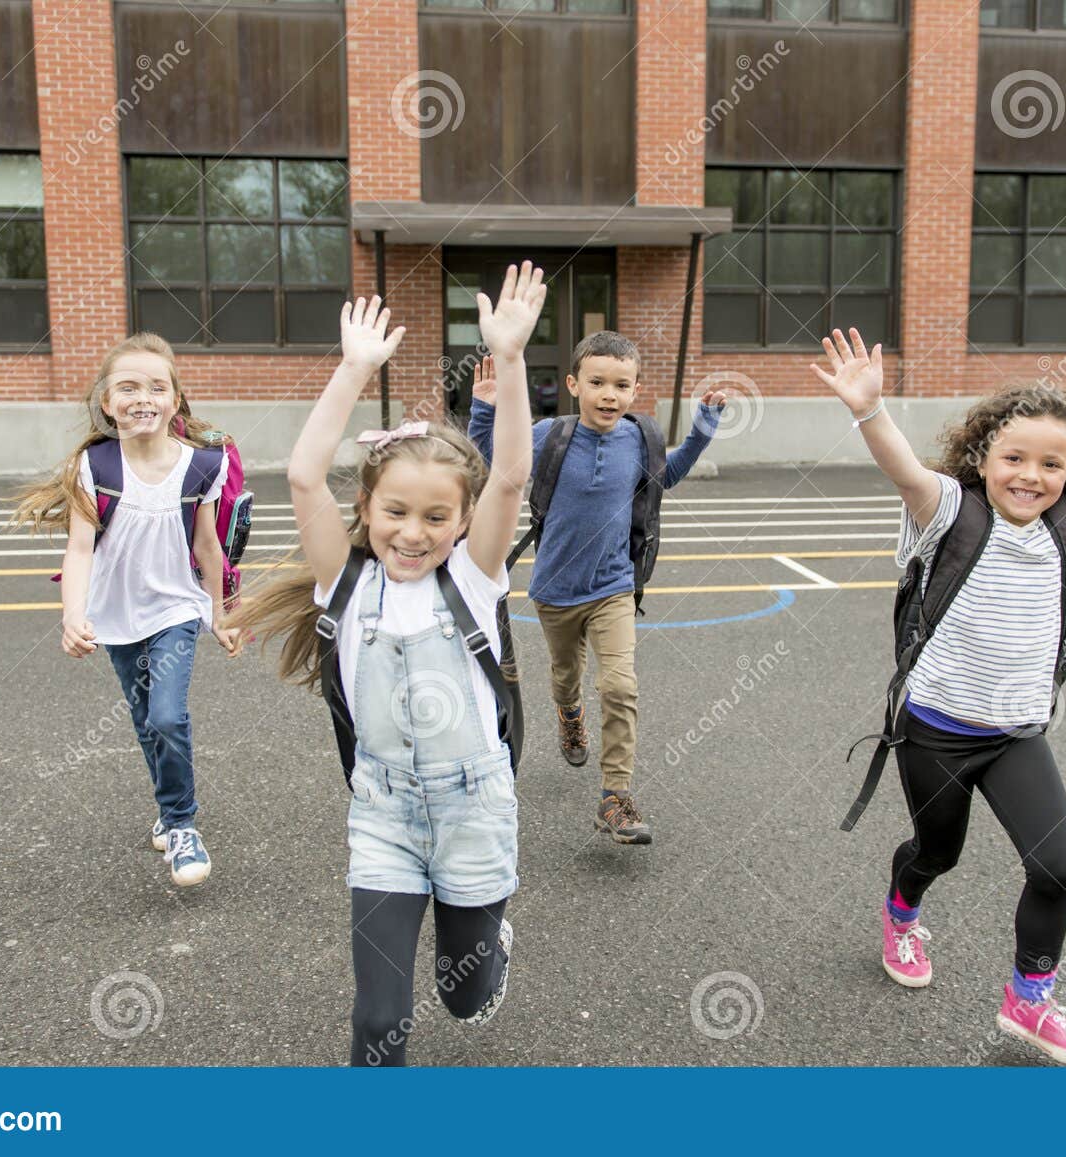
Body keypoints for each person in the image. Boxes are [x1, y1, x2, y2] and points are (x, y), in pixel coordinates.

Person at [816, 284, 1066, 1066]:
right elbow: (902, 467)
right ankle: (903, 908)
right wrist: (868, 409)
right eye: (1015, 458)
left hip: (1017, 734)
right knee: (939, 852)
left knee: (1059, 865)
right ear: (983, 456)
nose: (1032, 475)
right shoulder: (947, 511)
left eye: (1052, 463)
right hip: (934, 731)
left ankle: (1027, 1001)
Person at [230, 266, 545, 1065]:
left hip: (475, 807)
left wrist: (508, 359)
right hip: (385, 812)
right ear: (366, 512)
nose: (413, 532)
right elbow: (303, 475)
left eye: (437, 515)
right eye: (395, 512)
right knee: (379, 1020)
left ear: (465, 520)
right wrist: (352, 370)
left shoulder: (475, 577)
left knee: (462, 995)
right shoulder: (347, 579)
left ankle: (488, 946)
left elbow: (510, 471)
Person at [468, 333, 724, 844]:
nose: (610, 394)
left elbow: (664, 477)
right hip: (555, 591)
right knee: (567, 678)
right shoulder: (548, 437)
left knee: (620, 686)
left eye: (622, 385)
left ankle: (615, 796)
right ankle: (568, 714)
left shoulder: (639, 439)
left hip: (614, 586)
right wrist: (483, 410)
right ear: (573, 384)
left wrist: (700, 433)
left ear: (635, 390)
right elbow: (491, 466)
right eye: (598, 382)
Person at [10, 333, 243, 888]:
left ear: (175, 400)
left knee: (166, 715)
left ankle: (183, 824)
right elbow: (79, 548)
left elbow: (208, 549)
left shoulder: (201, 467)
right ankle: (169, 807)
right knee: (144, 721)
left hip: (175, 608)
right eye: (128, 387)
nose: (144, 397)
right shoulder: (93, 466)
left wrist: (221, 613)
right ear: (108, 402)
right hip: (114, 615)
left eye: (157, 387)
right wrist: (73, 615)